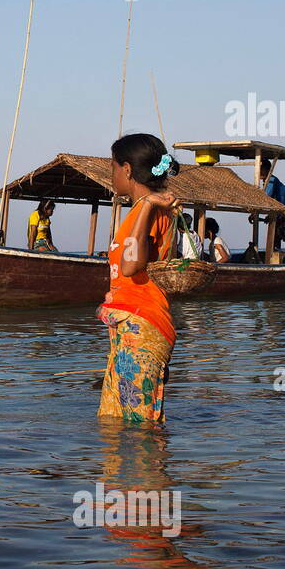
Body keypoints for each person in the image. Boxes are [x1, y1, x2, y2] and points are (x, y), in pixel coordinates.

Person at [97, 133, 179, 425]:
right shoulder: (145, 211)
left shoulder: (150, 211)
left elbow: (132, 265)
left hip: (143, 326)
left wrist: (146, 205)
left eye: (113, 168)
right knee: (113, 420)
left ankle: (152, 472)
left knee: (140, 425)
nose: (113, 175)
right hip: (130, 324)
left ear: (128, 169)